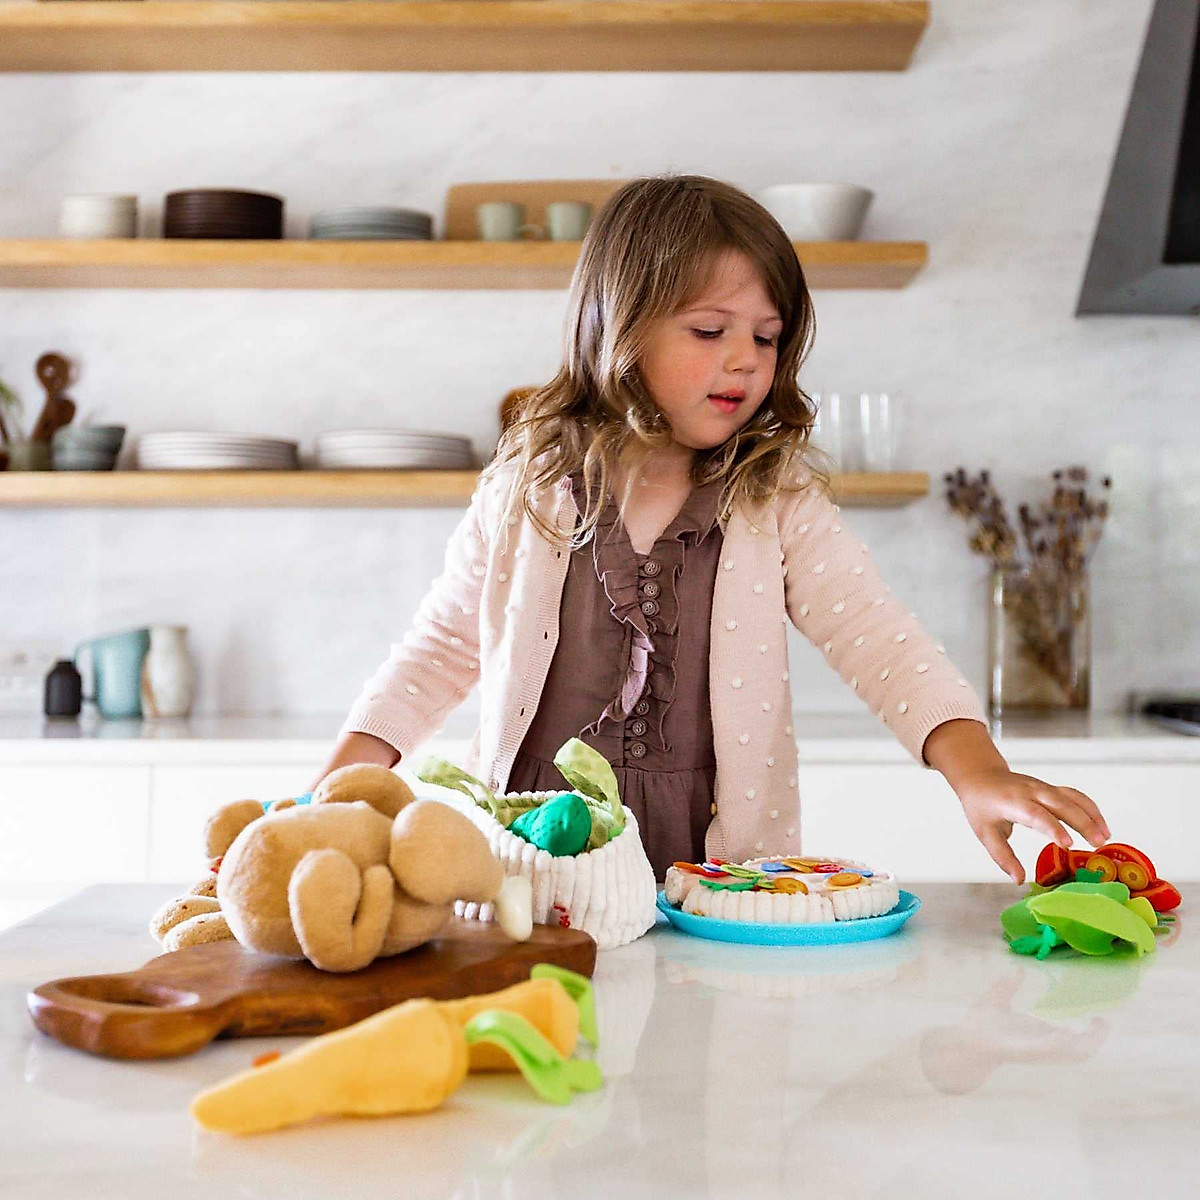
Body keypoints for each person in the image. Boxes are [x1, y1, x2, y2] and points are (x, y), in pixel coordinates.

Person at [313, 174, 1109, 883]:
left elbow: (877, 636)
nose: (745, 362)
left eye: (766, 338)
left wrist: (976, 770)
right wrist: (338, 784)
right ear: (616, 326)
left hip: (716, 875)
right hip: (531, 870)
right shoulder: (529, 487)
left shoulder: (774, 497)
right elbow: (443, 647)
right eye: (709, 331)